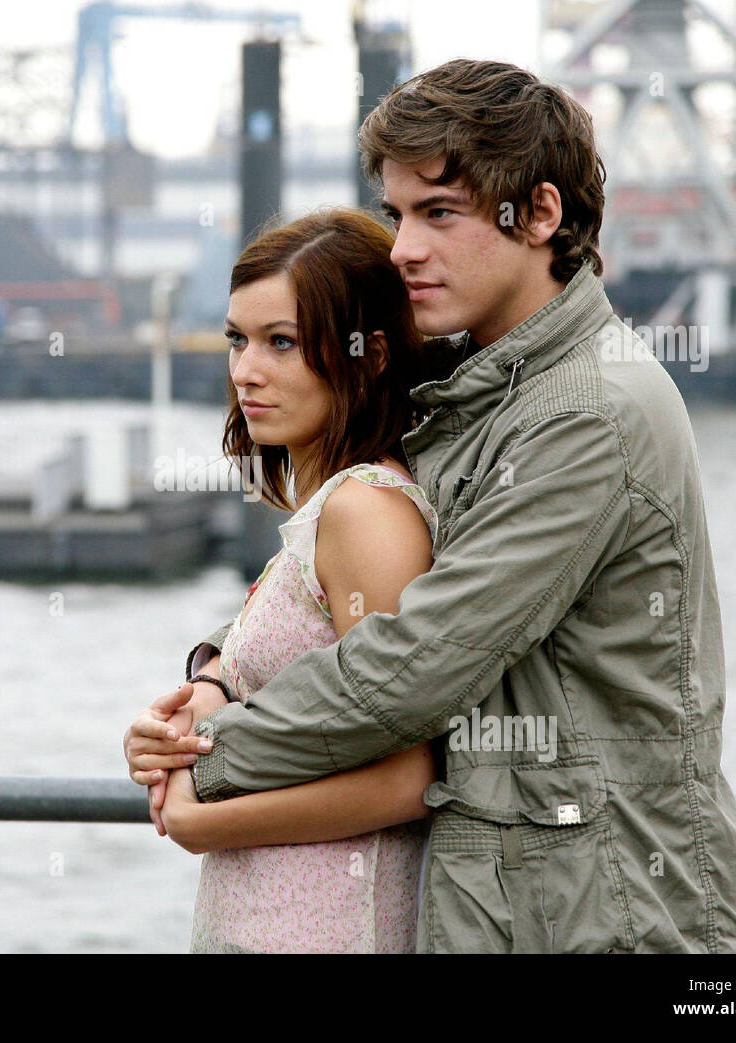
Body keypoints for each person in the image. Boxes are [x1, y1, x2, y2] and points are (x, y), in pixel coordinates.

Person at [125, 58, 736, 953]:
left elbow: (417, 664)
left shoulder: (589, 411)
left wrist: (208, 756)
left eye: (440, 213)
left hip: (607, 914)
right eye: (395, 213)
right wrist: (214, 675)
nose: (402, 248)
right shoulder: (475, 390)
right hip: (508, 903)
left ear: (540, 214)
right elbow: (321, 590)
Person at [148, 206, 457, 952]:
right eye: (238, 339)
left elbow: (408, 777)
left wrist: (199, 818)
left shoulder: (367, 513)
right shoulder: (330, 507)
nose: (246, 370)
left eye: (281, 342)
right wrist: (178, 725)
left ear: (371, 354)